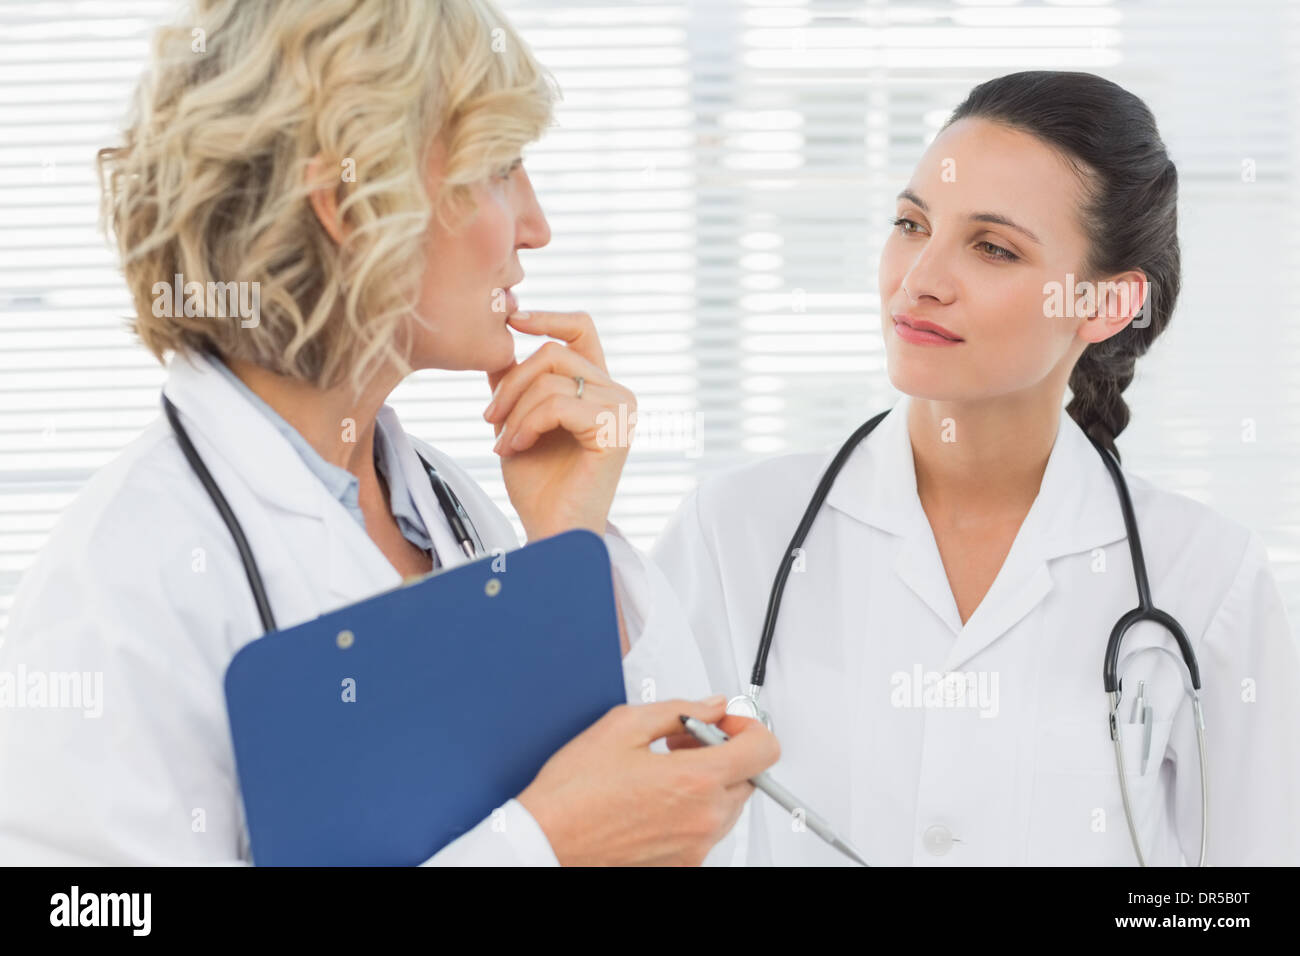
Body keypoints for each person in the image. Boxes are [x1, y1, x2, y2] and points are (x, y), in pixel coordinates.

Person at [0, 0, 776, 866]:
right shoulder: (115, 587)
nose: (536, 226)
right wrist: (541, 848)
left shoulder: (449, 511)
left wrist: (569, 548)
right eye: (500, 169)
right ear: (350, 202)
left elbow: (671, 818)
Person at [632, 71, 1300, 865]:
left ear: (1107, 304)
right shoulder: (734, 531)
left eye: (993, 248)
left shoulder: (1206, 576)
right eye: (911, 224)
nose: (919, 281)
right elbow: (601, 815)